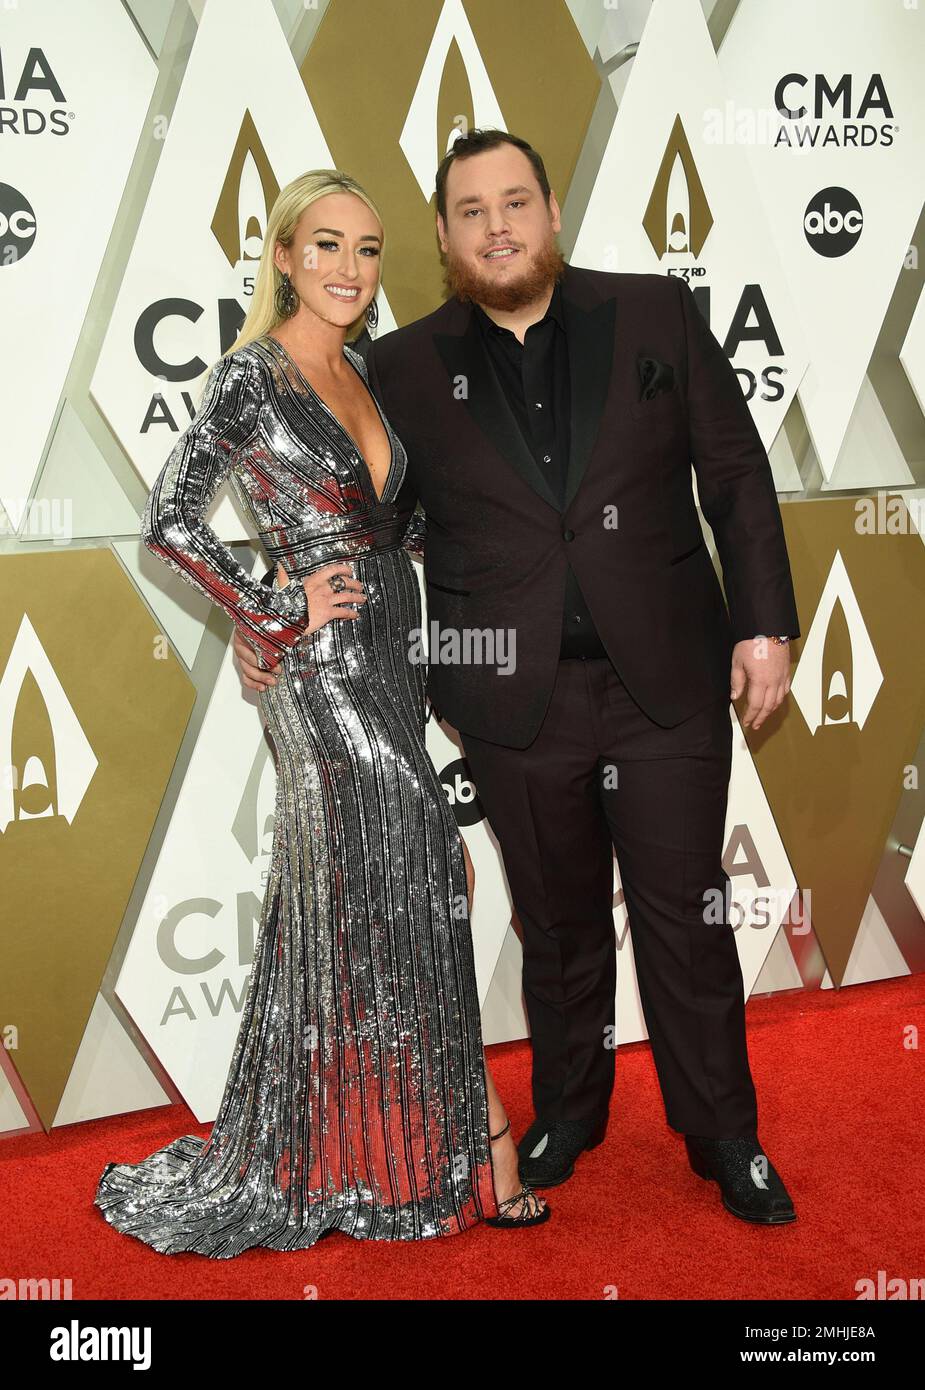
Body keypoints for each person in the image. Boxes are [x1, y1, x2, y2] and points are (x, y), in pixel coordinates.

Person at [235, 130, 801, 1226]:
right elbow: (345, 519)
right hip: (508, 696)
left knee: (687, 916)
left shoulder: (651, 312)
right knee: (558, 924)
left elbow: (733, 469)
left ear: (550, 211)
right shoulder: (395, 366)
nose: (496, 226)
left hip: (667, 682)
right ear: (444, 236)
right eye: (469, 211)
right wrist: (269, 615)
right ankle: (569, 1111)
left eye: (514, 203)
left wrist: (765, 626)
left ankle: (726, 1133)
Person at [93, 169, 549, 1259]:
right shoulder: (251, 377)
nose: (349, 268)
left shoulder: (368, 374)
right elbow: (170, 520)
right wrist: (270, 605)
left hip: (391, 657)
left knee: (362, 899)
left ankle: (334, 1141)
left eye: (370, 249)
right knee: (437, 868)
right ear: (287, 255)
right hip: (319, 671)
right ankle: (473, 1134)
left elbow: (405, 523)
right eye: (327, 245)